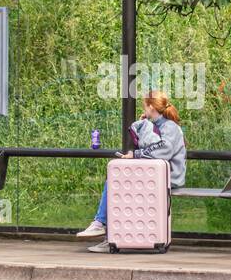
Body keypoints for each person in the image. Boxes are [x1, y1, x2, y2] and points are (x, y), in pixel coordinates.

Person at [76, 90, 186, 251]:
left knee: (117, 182)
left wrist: (135, 154)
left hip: (169, 178)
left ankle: (102, 226)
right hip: (156, 176)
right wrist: (144, 127)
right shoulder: (156, 126)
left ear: (150, 107)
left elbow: (163, 150)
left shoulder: (170, 127)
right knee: (117, 181)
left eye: (144, 107)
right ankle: (113, 236)